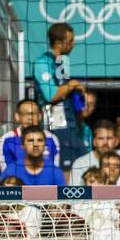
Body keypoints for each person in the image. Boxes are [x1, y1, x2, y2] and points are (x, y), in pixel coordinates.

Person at [32, 21, 87, 169]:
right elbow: (51, 95)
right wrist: (73, 83)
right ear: (58, 43)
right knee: (65, 169)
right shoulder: (43, 63)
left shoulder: (62, 63)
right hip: (54, 125)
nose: (73, 44)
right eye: (70, 41)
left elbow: (65, 94)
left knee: (81, 164)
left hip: (71, 125)